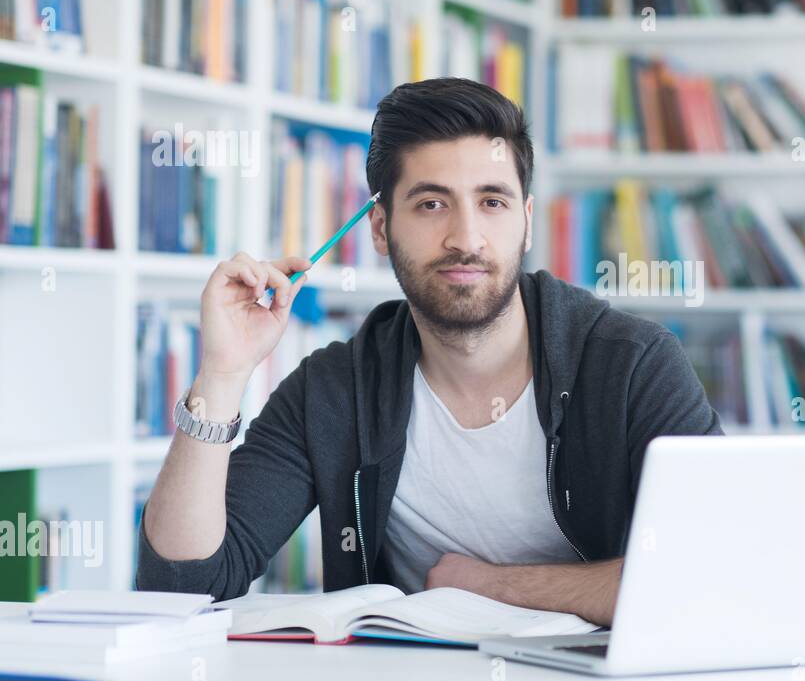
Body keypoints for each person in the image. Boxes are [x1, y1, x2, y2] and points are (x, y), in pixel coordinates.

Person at [136, 78, 722, 626]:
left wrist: (494, 586)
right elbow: (180, 588)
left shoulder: (632, 365)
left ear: (526, 221)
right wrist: (222, 374)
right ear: (381, 228)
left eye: (491, 202)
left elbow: (715, 570)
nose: (465, 238)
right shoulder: (336, 391)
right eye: (432, 204)